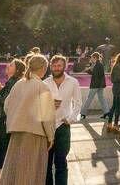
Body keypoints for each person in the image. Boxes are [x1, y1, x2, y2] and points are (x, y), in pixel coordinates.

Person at [0, 54, 56, 185]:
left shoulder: (19, 84)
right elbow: (47, 117)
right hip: (35, 135)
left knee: (13, 171)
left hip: (16, 133)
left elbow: (7, 106)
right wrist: (51, 137)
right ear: (43, 68)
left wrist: (17, 117)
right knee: (30, 172)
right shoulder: (42, 86)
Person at [44, 55, 82, 185]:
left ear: (64, 66)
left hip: (63, 127)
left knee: (61, 162)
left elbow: (78, 103)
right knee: (46, 164)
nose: (56, 68)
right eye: (54, 66)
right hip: (47, 127)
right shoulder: (45, 83)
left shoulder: (73, 82)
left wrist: (70, 119)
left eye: (59, 66)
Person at [80, 52, 110, 120]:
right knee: (102, 98)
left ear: (95, 58)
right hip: (100, 85)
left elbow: (95, 75)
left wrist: (87, 71)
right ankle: (106, 112)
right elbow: (96, 74)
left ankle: (83, 113)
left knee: (89, 99)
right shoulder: (99, 64)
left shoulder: (98, 65)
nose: (91, 59)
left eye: (92, 58)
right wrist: (89, 71)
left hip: (95, 85)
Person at [108, 53, 120, 134]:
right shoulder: (118, 67)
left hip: (116, 88)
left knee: (114, 106)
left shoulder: (116, 66)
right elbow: (117, 79)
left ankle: (109, 124)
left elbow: (114, 79)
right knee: (118, 107)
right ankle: (115, 126)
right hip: (119, 89)